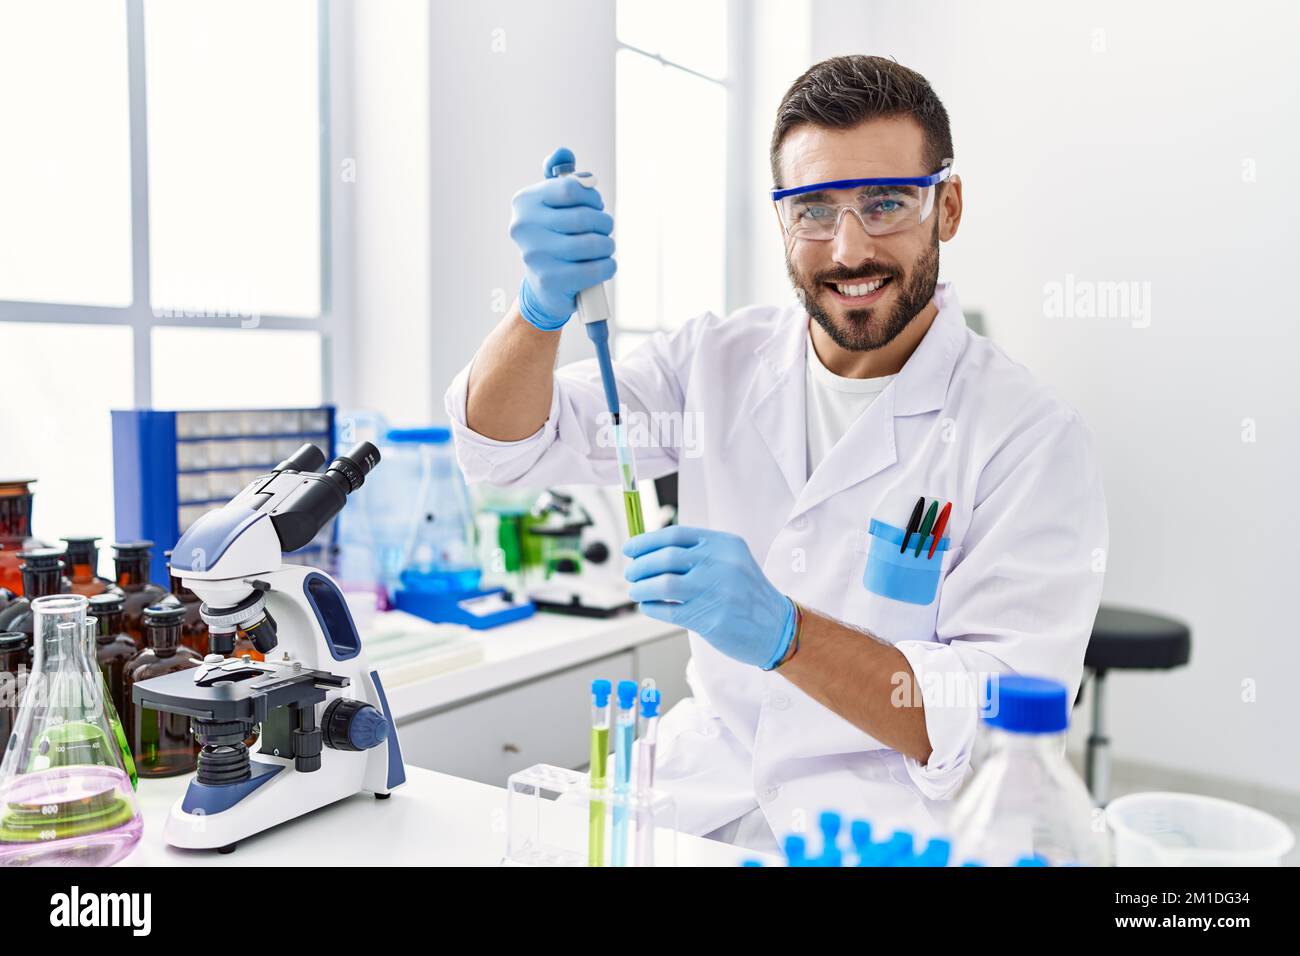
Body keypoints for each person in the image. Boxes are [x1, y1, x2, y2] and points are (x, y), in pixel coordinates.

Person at [445, 55, 1107, 852]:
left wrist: (789, 635)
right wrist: (539, 309)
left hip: (885, 833)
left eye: (887, 203)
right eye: (815, 209)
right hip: (696, 805)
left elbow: (1000, 716)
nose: (848, 249)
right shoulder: (713, 364)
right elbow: (505, 447)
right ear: (782, 220)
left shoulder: (1028, 436)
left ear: (949, 206)